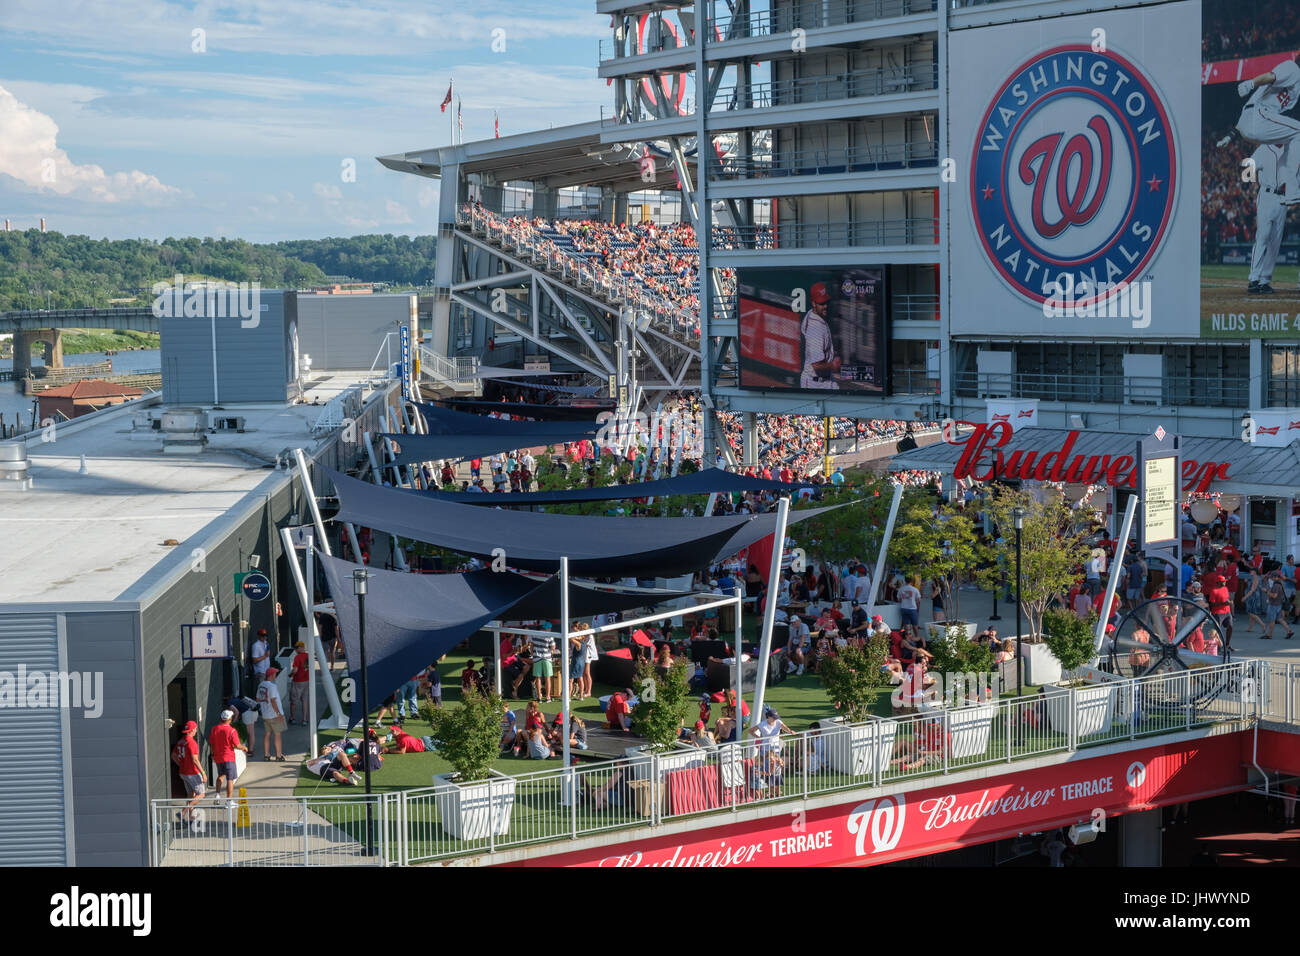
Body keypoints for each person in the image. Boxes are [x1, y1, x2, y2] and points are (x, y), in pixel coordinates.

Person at [798, 281, 840, 390]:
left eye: (826, 302)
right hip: (815, 384)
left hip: (826, 380)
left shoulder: (810, 314)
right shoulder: (816, 329)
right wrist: (833, 365)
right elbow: (816, 365)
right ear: (813, 303)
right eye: (821, 304)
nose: (825, 306)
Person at [208, 709, 247, 807]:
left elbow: (211, 744)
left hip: (218, 757)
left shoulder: (214, 729)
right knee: (230, 779)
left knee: (220, 776)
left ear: (222, 718)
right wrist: (244, 747)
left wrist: (212, 754)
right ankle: (229, 801)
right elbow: (237, 745)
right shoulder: (232, 731)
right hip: (228, 757)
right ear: (230, 719)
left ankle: (217, 795)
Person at [171, 720, 207, 825]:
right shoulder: (192, 743)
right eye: (195, 729)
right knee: (201, 794)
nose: (196, 730)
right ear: (192, 730)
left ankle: (191, 818)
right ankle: (183, 813)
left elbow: (173, 756)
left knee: (191, 795)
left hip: (183, 772)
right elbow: (195, 759)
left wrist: (181, 764)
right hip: (192, 772)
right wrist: (203, 773)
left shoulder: (181, 741)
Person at [256, 667, 287, 761]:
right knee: (277, 735)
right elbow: (273, 701)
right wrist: (279, 714)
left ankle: (266, 755)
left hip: (265, 714)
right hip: (274, 715)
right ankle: (278, 756)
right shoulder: (272, 686)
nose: (276, 675)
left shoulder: (261, 685)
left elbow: (257, 699)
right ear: (272, 675)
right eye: (275, 674)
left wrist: (265, 700)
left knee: (267, 734)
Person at [1262, 570, 1295, 639]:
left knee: (1272, 620)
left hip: (1274, 604)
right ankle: (1289, 631)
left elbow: (1274, 596)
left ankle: (1269, 634)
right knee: (1280, 619)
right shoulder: (1281, 583)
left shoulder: (1276, 585)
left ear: (1275, 577)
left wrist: (1266, 591)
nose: (1270, 578)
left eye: (1271, 577)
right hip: (1279, 604)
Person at [530, 627, 557, 703]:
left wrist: (533, 654)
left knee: (538, 678)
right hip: (547, 658)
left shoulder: (535, 634)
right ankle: (548, 697)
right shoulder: (550, 636)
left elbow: (531, 646)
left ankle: (539, 697)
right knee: (547, 678)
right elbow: (553, 648)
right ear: (548, 628)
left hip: (537, 658)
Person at [288, 641, 311, 726]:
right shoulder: (308, 656)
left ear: (301, 647)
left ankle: (292, 718)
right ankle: (304, 719)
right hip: (306, 681)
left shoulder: (297, 657)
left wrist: (290, 675)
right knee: (304, 700)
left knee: (293, 701)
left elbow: (295, 670)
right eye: (295, 648)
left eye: (297, 648)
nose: (296, 649)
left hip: (297, 681)